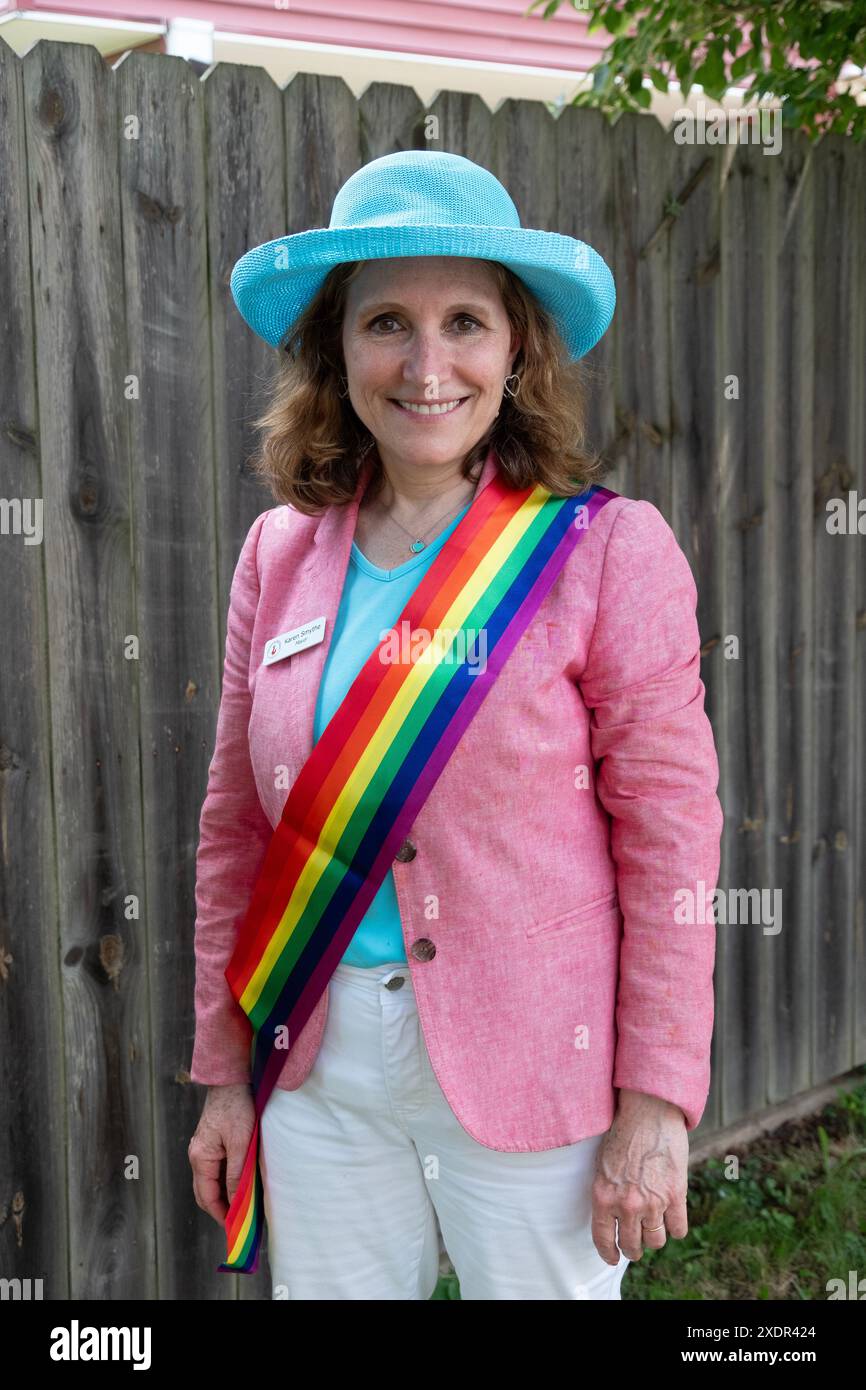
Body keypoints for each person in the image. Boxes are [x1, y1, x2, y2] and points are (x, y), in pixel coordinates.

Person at [187, 150, 723, 1300]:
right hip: (317, 1064)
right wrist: (225, 1073)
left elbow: (672, 842)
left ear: (514, 346)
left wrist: (655, 1098)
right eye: (387, 321)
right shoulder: (276, 558)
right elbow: (236, 832)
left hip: (534, 1070)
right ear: (336, 346)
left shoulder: (603, 554)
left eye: (464, 322)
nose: (426, 366)